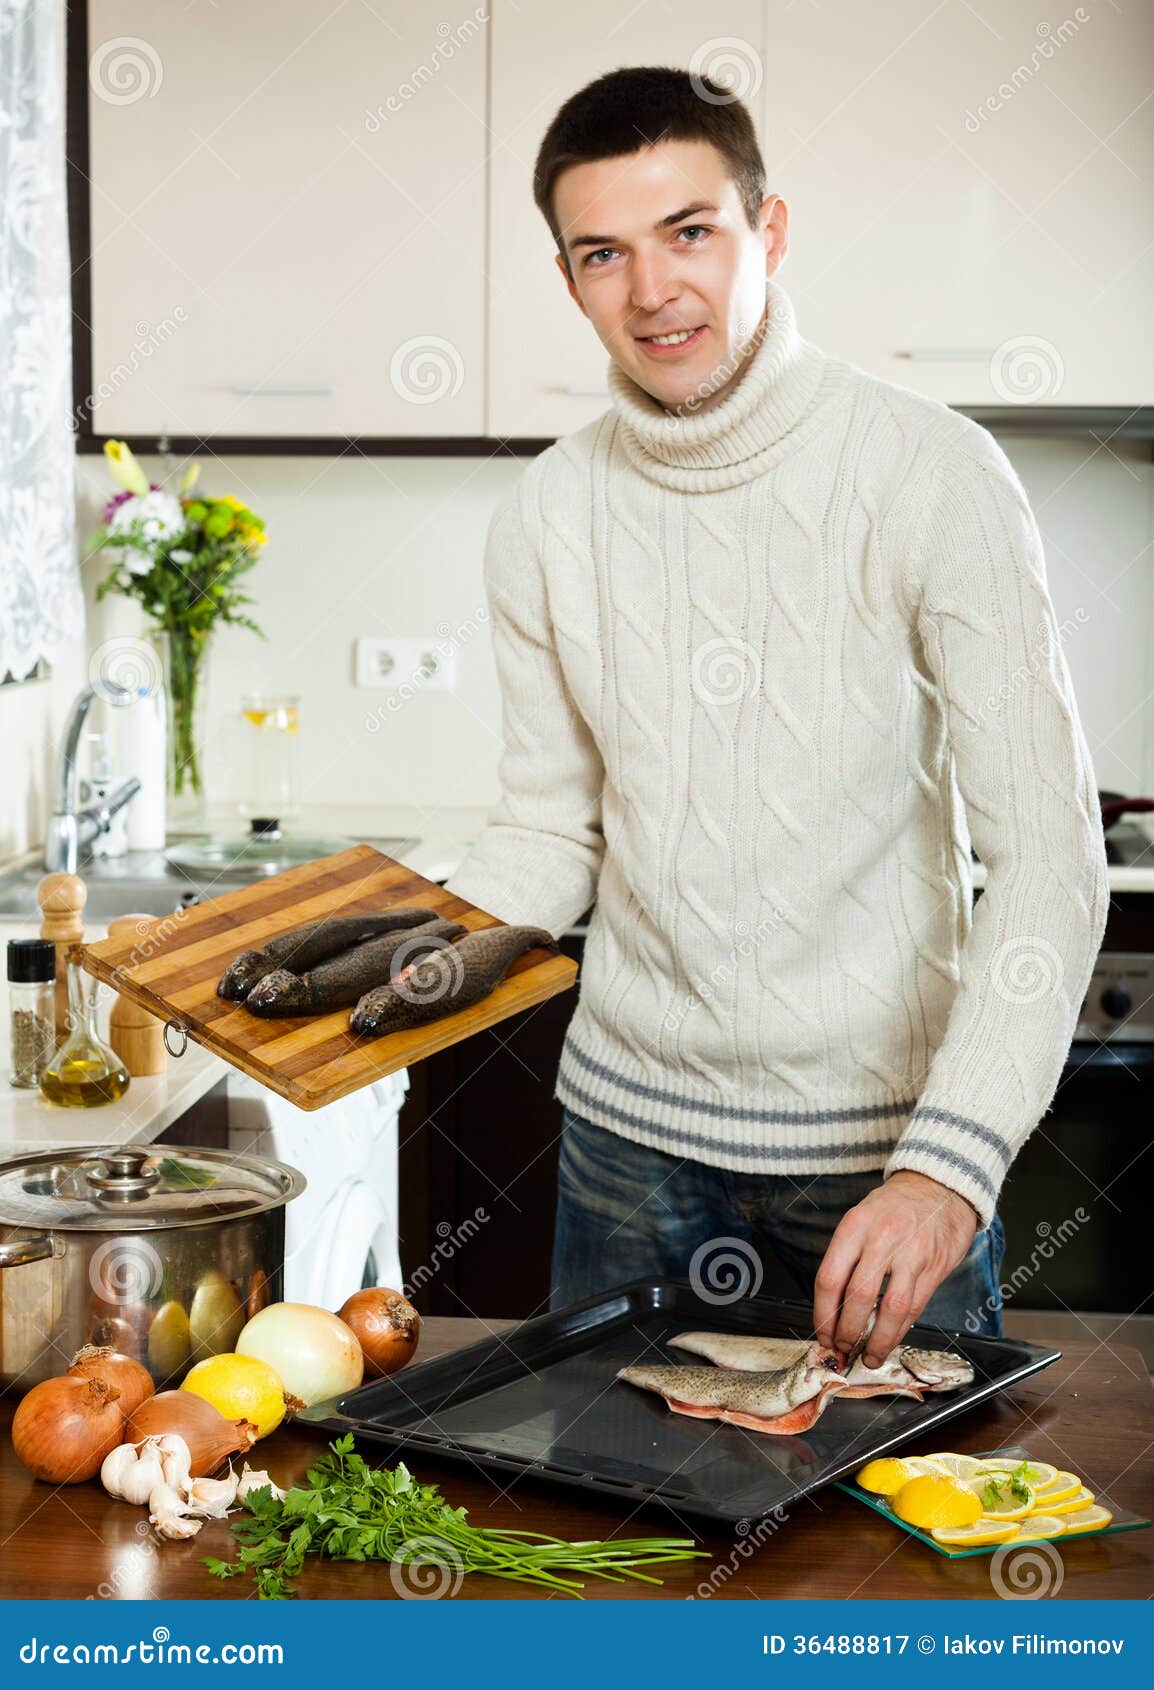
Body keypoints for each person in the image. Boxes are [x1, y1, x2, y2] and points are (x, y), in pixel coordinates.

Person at [443, 65, 1108, 1370]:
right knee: (605, 1539)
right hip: (624, 1151)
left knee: (895, 1555)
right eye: (602, 254)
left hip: (881, 1162)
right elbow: (543, 835)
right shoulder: (542, 513)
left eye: (688, 231)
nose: (651, 291)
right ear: (568, 276)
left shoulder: (931, 472)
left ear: (770, 231)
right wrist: (399, 951)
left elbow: (1047, 857)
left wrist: (948, 1168)